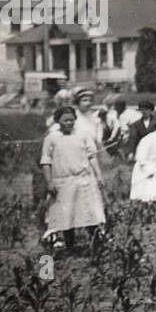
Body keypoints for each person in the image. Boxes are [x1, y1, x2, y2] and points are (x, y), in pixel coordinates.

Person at [40, 105, 106, 251]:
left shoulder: (83, 135)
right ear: (57, 121)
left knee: (89, 212)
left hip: (84, 179)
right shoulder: (51, 138)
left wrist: (99, 176)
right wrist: (49, 182)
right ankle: (70, 246)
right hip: (63, 181)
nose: (69, 123)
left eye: (71, 120)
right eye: (65, 120)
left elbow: (92, 157)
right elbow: (46, 161)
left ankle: (95, 244)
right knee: (66, 214)